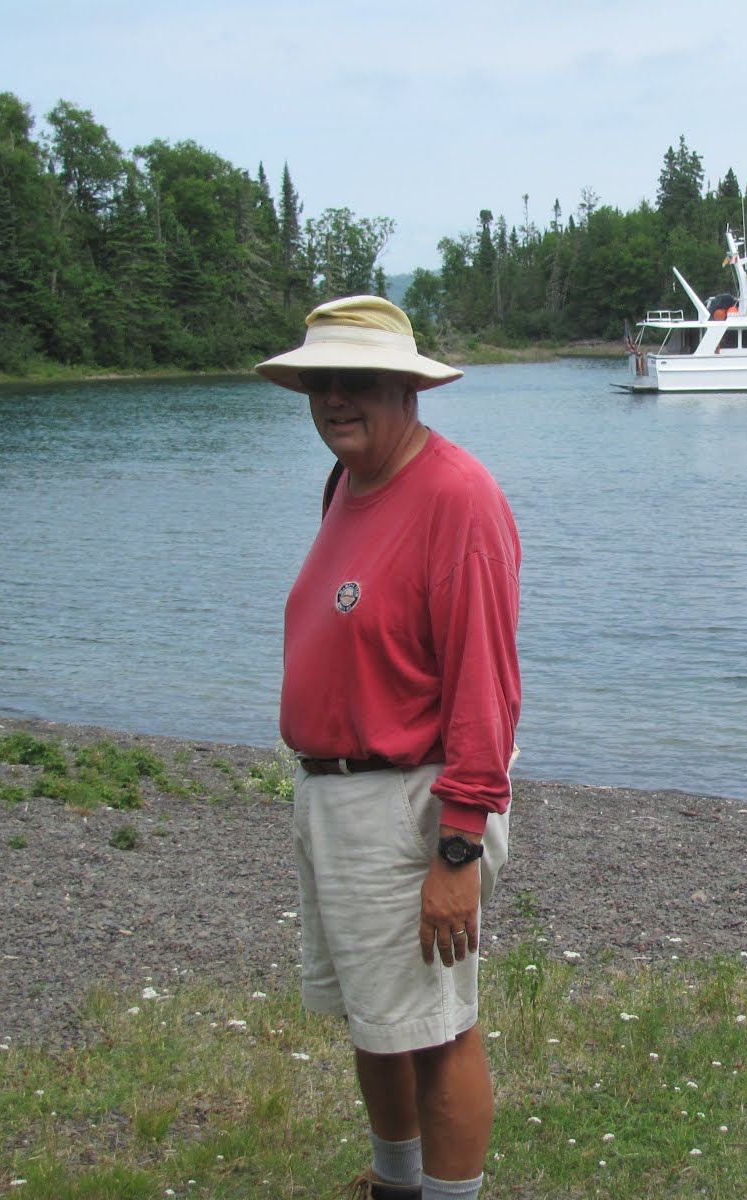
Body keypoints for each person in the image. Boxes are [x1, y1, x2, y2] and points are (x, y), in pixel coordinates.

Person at [256, 296, 522, 1200]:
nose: (335, 398)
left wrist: (457, 849)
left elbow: (487, 688)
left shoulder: (456, 496)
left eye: (358, 380)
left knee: (439, 1026)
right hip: (332, 797)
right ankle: (395, 1185)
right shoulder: (346, 483)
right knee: (376, 1020)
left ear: (407, 388)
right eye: (321, 380)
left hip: (412, 806)